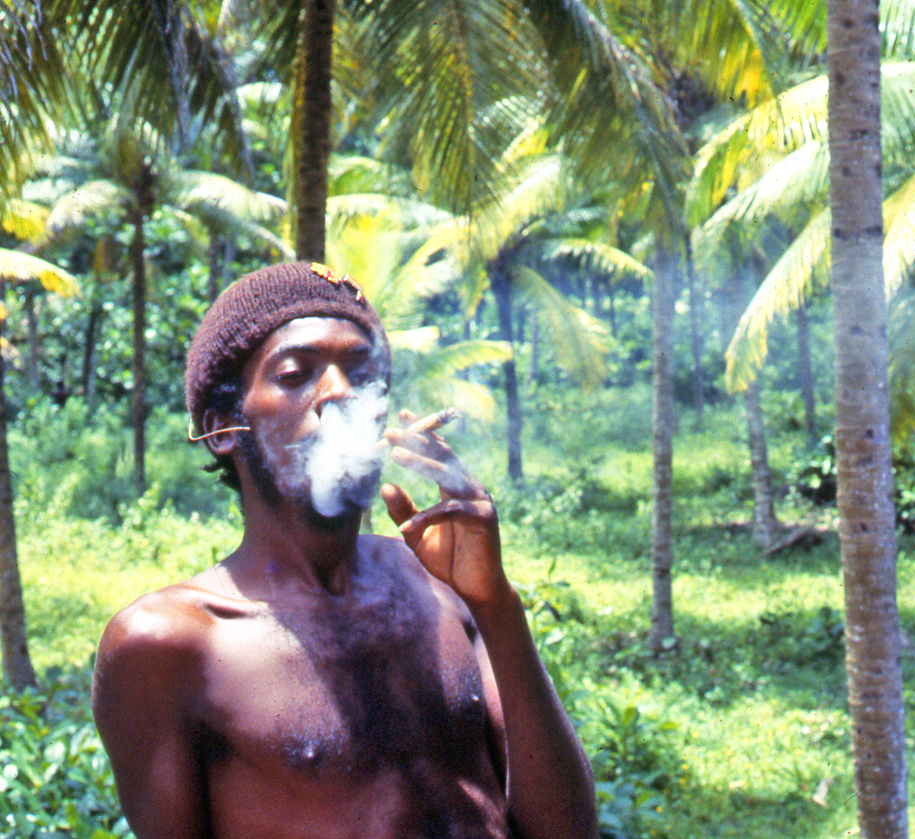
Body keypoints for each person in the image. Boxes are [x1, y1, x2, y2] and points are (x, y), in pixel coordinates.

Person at [91, 261, 597, 839]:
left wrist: (496, 605)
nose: (338, 393)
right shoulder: (170, 643)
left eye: (361, 372)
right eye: (295, 375)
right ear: (224, 426)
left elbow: (569, 831)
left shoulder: (439, 588)